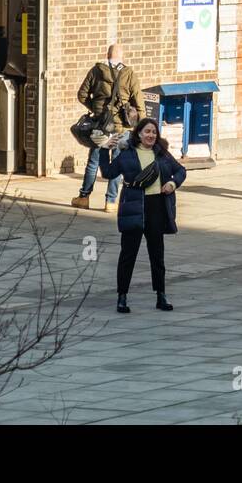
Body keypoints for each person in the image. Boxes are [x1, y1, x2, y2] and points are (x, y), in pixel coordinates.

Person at [102, 117, 186, 313]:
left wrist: (173, 184)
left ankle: (161, 295)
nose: (151, 135)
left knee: (157, 254)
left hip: (156, 206)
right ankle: (122, 297)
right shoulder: (127, 154)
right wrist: (104, 149)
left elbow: (180, 170)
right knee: (128, 254)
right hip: (134, 206)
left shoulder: (162, 154)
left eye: (154, 132)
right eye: (147, 131)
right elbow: (108, 172)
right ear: (138, 133)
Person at [72, 44, 143, 211]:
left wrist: (96, 109)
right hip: (120, 128)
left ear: (107, 55)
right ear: (122, 57)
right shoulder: (129, 73)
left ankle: (84, 197)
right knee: (117, 164)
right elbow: (139, 103)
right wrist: (141, 127)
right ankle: (110, 202)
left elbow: (82, 95)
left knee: (93, 162)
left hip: (100, 127)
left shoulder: (96, 71)